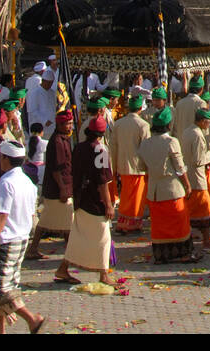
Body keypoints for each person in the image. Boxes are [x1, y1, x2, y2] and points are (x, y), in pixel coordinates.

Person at [0, 139, 46, 334]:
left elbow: (1, 216)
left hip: (6, 240)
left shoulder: (6, 184)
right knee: (9, 282)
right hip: (21, 238)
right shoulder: (27, 182)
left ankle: (32, 319)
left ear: (5, 159)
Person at [54, 116, 116, 286]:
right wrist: (109, 204)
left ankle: (63, 268)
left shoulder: (80, 147)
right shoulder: (101, 150)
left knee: (78, 235)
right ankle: (104, 274)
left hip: (81, 197)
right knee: (104, 237)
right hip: (95, 199)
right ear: (102, 133)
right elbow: (102, 180)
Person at [139, 106, 201, 264]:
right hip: (172, 190)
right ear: (168, 125)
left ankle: (161, 255)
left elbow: (141, 168)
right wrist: (187, 185)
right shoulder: (171, 142)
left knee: (160, 225)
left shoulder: (145, 144)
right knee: (179, 223)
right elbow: (180, 169)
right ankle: (183, 254)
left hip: (154, 191)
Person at [27, 110, 73, 260]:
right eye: (68, 124)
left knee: (63, 221)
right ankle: (34, 248)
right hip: (56, 188)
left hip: (63, 185)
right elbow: (56, 169)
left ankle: (70, 251)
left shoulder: (63, 138)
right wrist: (62, 189)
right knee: (50, 221)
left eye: (71, 123)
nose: (70, 127)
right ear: (59, 124)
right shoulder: (57, 141)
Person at [110, 92, 151, 234]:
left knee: (126, 196)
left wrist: (113, 167)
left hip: (122, 166)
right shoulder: (143, 125)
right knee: (136, 198)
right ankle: (132, 225)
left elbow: (113, 147)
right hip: (138, 167)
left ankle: (123, 223)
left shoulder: (118, 124)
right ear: (140, 108)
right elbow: (146, 149)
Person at [183, 106, 210, 250]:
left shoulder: (187, 131)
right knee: (204, 212)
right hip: (197, 178)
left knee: (190, 211)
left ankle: (189, 236)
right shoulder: (197, 135)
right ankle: (207, 242)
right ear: (203, 121)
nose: (209, 125)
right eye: (208, 122)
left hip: (190, 176)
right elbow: (198, 160)